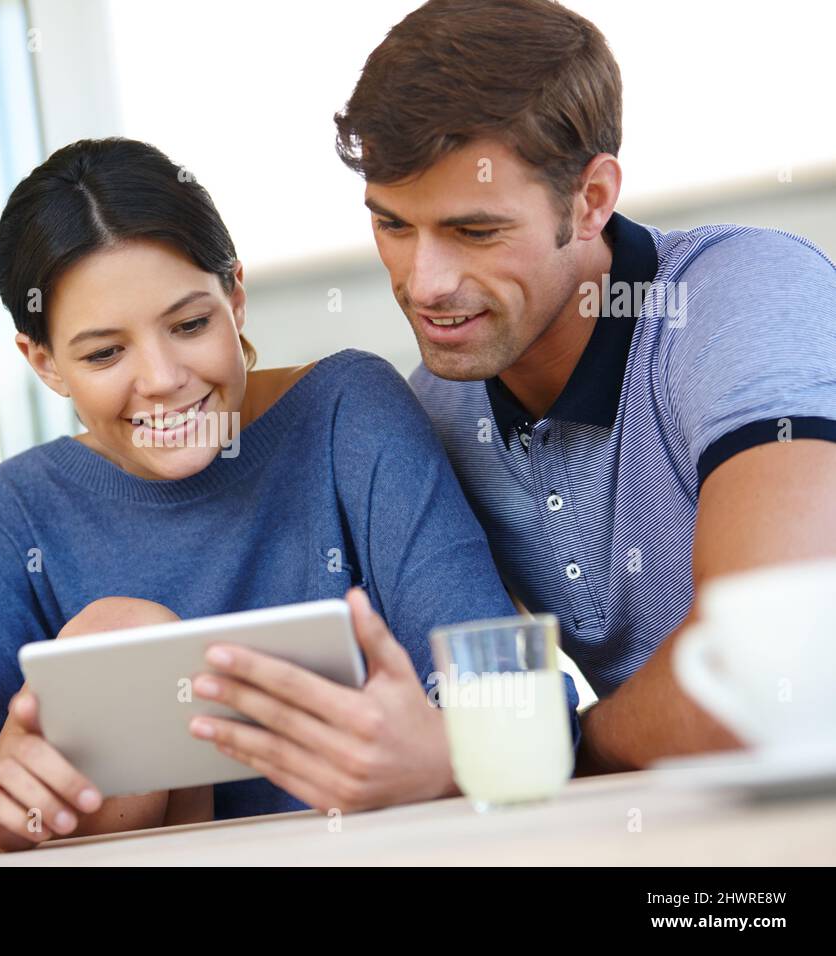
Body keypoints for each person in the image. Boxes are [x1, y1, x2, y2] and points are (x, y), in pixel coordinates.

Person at [0, 137, 579, 864]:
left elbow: (516, 706)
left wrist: (437, 757)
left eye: (188, 325)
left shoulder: (349, 412)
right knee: (117, 632)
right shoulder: (17, 513)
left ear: (236, 297)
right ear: (44, 362)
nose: (162, 379)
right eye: (104, 352)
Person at [330, 0, 836, 774]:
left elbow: (761, 677)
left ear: (592, 200)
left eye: (473, 230)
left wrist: (548, 754)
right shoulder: (434, 408)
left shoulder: (744, 297)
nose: (423, 284)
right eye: (394, 225)